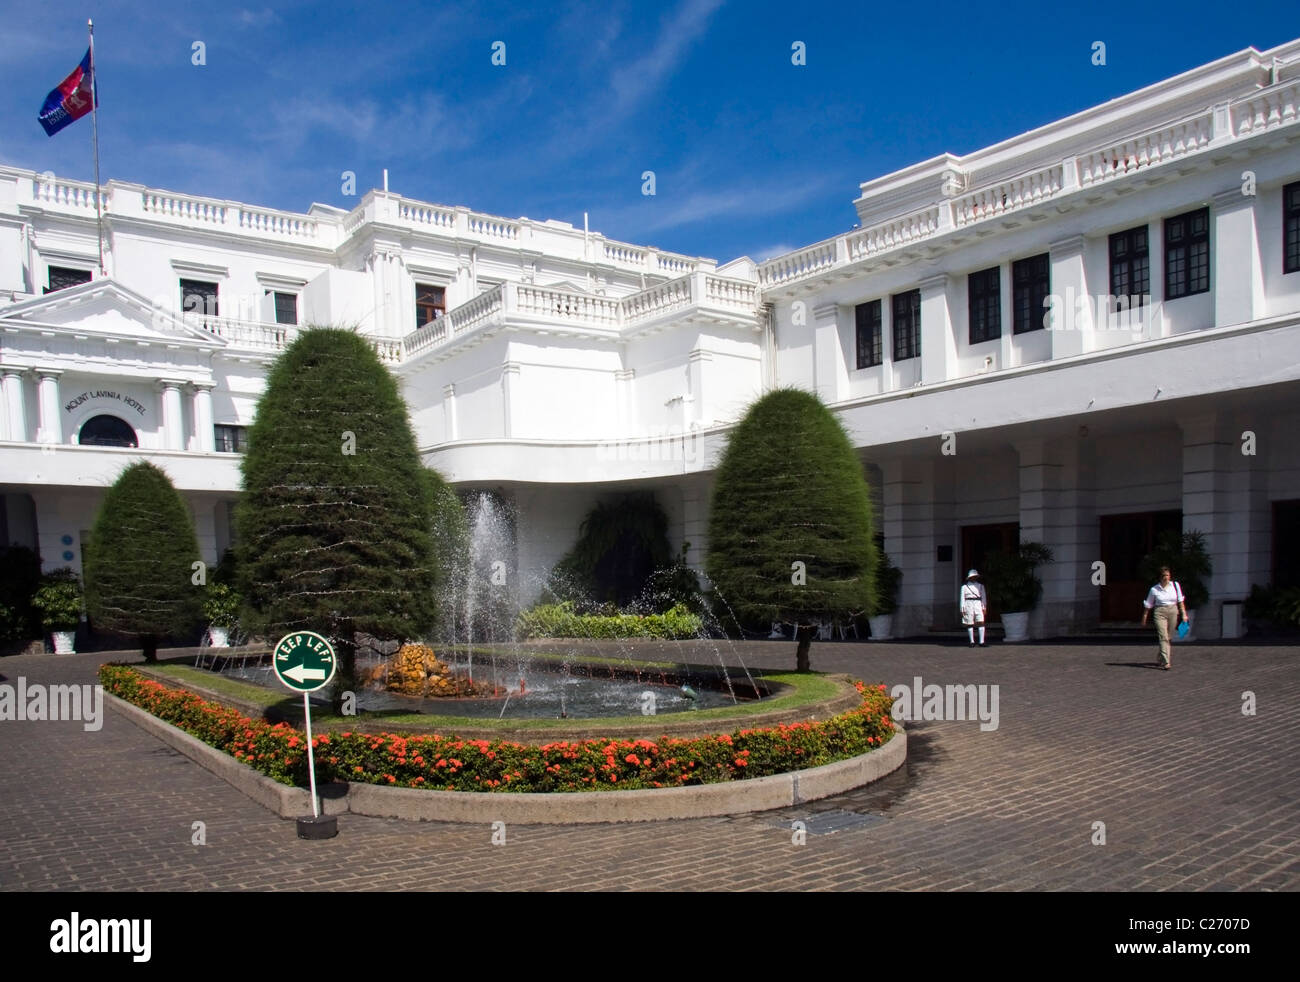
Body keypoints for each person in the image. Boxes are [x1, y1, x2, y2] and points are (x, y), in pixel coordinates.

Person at [1140, 566, 1186, 670]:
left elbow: (1180, 601)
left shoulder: (1175, 585)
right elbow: (1148, 605)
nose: (1167, 577)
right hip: (1160, 612)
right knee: (1163, 636)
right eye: (1164, 575)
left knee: (1168, 637)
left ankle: (1160, 657)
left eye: (1168, 575)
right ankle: (1166, 662)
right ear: (1160, 577)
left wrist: (1184, 614)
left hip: (1173, 611)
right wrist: (1144, 617)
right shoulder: (1154, 589)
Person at [960, 569, 988, 647]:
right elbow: (962, 598)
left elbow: (983, 597)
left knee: (981, 622)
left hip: (978, 604)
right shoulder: (964, 587)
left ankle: (981, 641)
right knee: (970, 623)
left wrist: (984, 607)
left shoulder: (981, 586)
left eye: (975, 577)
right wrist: (962, 608)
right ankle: (972, 641)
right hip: (968, 604)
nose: (974, 578)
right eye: (972, 577)